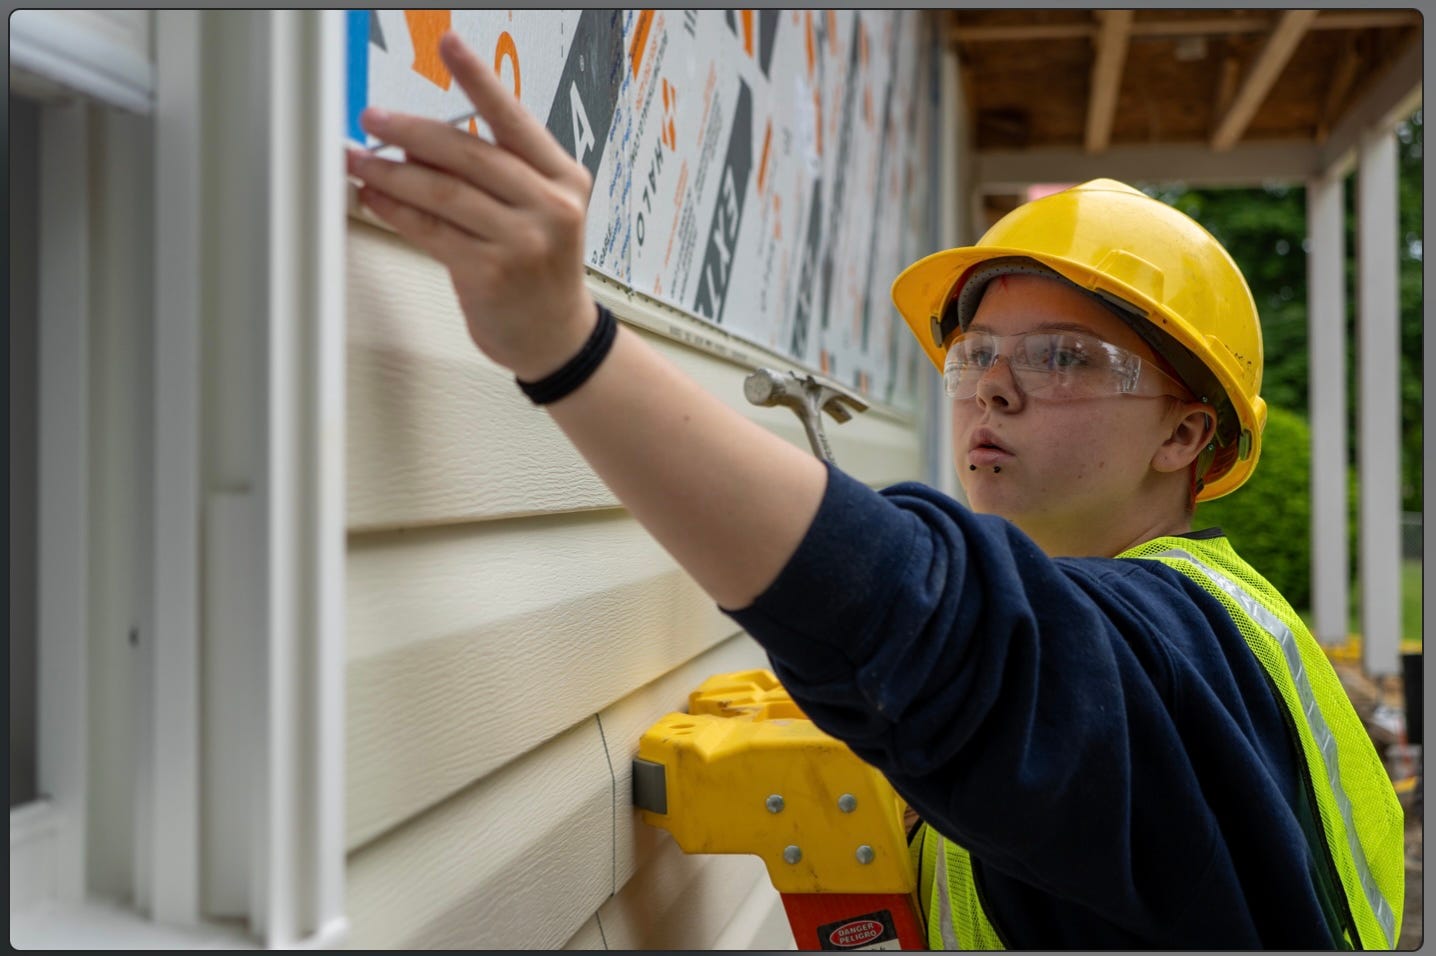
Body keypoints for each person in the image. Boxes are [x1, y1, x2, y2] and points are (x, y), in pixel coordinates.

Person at [344, 31, 1404, 949]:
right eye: (976, 349)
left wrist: (566, 344)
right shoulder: (1223, 626)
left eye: (1067, 357)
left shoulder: (1166, 649)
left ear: (1183, 433)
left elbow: (929, 622)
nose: (993, 381)